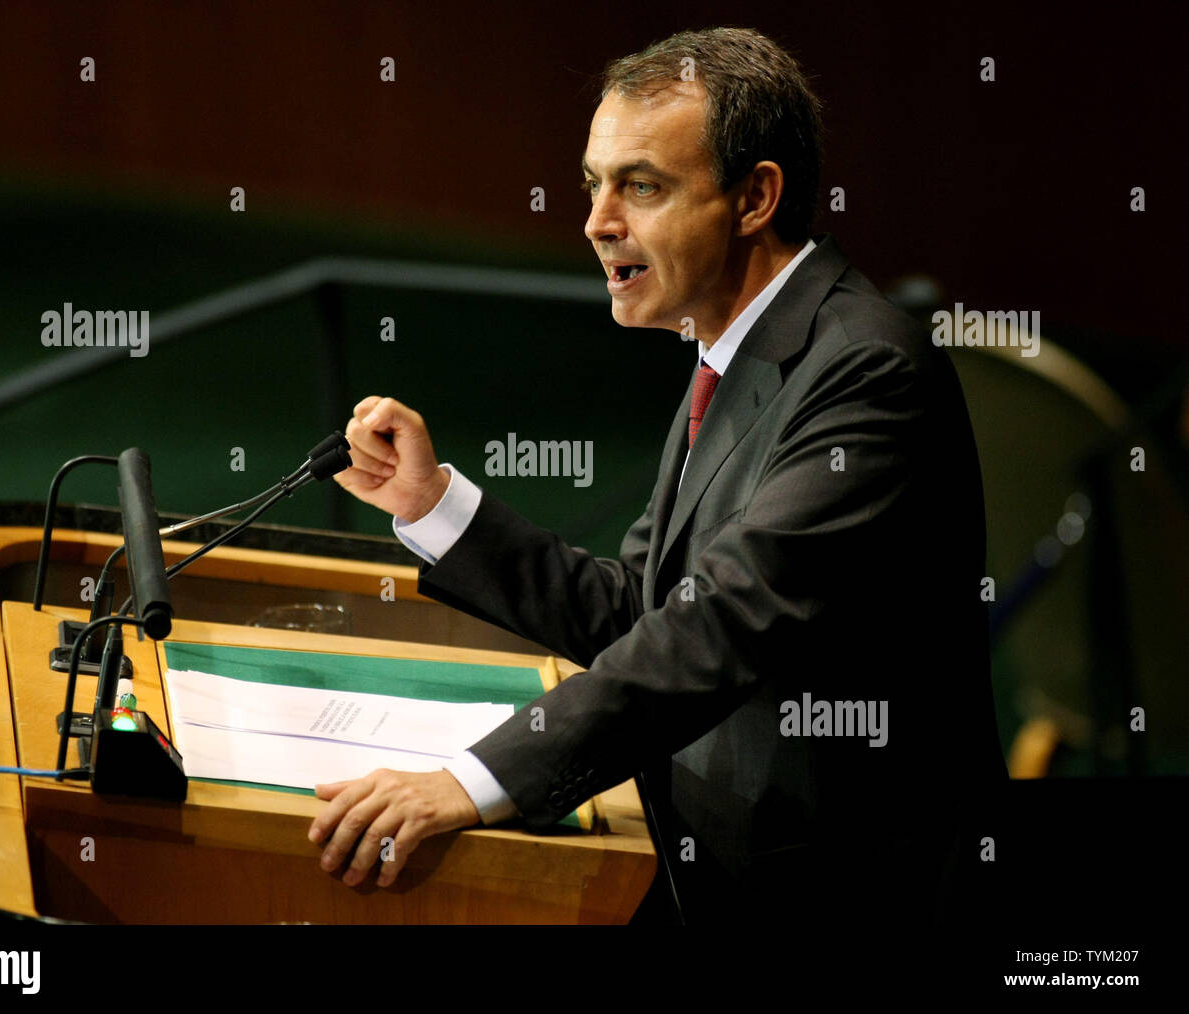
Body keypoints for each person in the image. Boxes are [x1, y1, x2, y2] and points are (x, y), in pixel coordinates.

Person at [306, 26, 1006, 925]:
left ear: (754, 197)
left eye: (641, 186)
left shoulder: (869, 371)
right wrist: (436, 505)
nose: (598, 220)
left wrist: (473, 783)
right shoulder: (727, 349)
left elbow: (718, 626)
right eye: (595, 184)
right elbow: (646, 609)